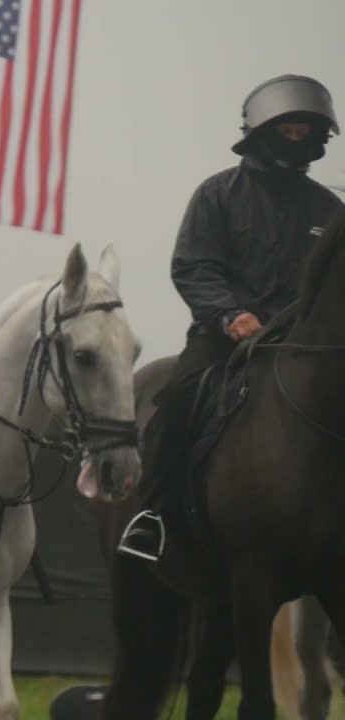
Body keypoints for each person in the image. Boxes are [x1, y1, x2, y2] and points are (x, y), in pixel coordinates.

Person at [119, 75, 342, 562]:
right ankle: (153, 518)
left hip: (300, 347)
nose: (300, 137)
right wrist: (229, 314)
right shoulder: (218, 193)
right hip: (223, 338)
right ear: (262, 131)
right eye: (290, 128)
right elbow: (193, 265)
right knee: (173, 404)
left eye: (308, 129)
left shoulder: (331, 211)